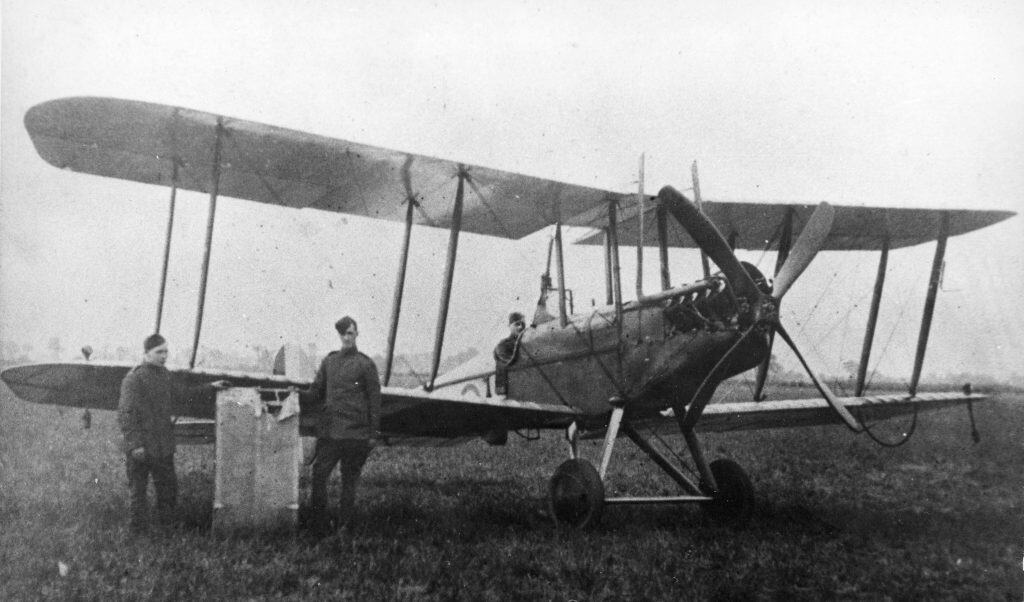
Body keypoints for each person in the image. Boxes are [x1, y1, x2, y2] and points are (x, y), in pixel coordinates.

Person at [117, 334, 228, 534]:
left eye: (166, 351)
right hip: (142, 447)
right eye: (159, 352)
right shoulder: (133, 379)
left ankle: (166, 530)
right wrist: (135, 445)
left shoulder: (165, 376)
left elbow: (183, 394)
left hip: (162, 446)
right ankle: (137, 532)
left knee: (168, 490)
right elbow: (126, 414)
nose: (164, 356)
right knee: (138, 492)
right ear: (146, 353)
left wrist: (211, 387)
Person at [306, 316, 382, 534]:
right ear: (339, 336)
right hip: (331, 434)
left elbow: (375, 401)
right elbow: (315, 392)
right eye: (343, 333)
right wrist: (295, 394)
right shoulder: (329, 362)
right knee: (319, 474)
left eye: (351, 333)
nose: (347, 337)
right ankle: (318, 524)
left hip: (356, 435)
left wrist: (373, 434)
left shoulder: (366, 364)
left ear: (357, 334)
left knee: (349, 481)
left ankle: (344, 525)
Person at [493, 311, 526, 398]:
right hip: (511, 387)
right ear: (510, 326)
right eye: (517, 324)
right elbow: (512, 361)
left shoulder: (527, 340)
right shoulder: (503, 345)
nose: (520, 327)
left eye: (523, 324)